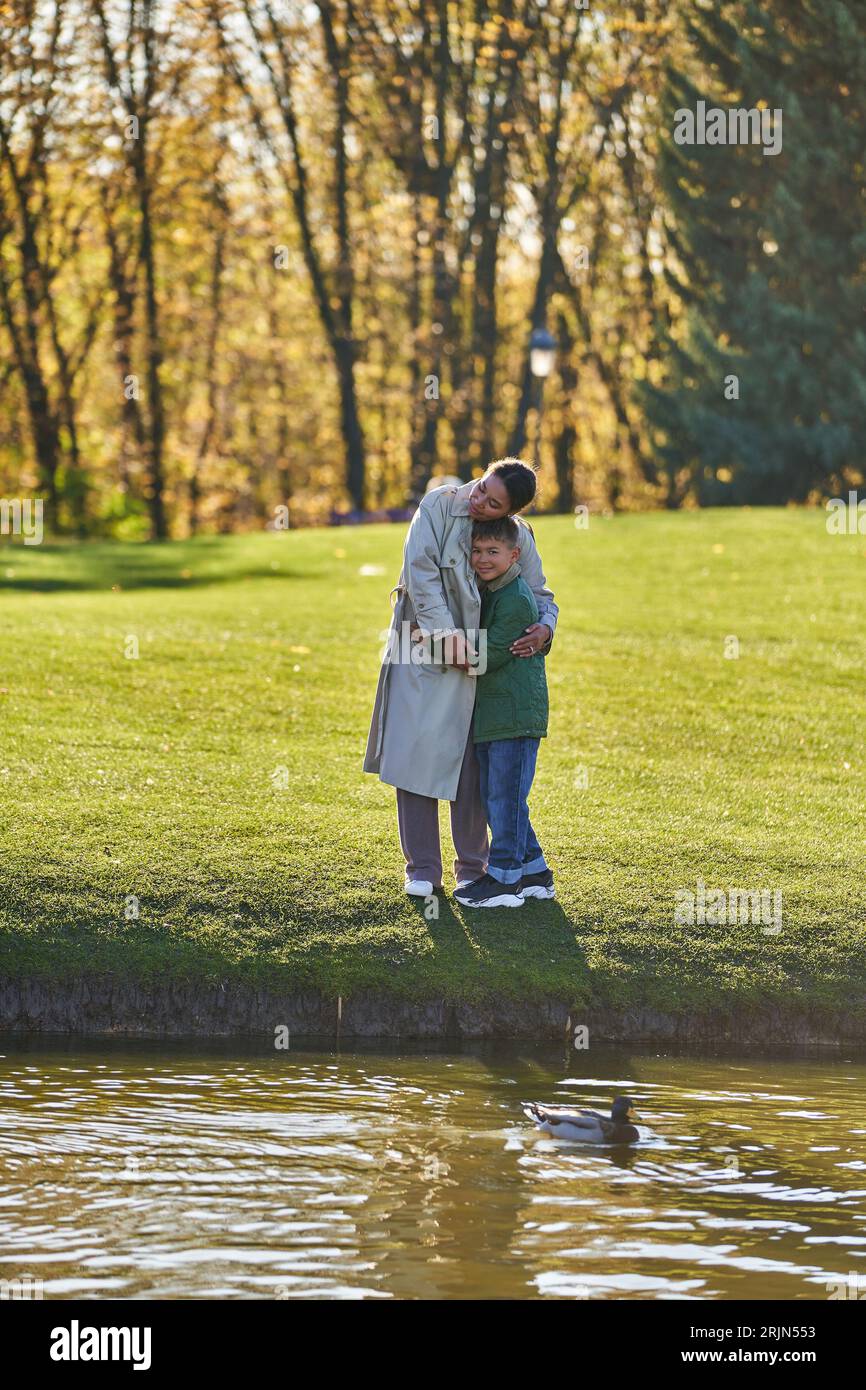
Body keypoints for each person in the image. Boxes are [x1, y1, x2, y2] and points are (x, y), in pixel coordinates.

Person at [363, 459, 558, 897]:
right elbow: (422, 574)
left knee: (470, 763)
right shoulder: (436, 506)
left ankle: (473, 866)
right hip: (421, 646)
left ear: (509, 513)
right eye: (482, 488)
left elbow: (539, 592)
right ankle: (422, 870)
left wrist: (546, 628)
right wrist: (445, 636)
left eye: (493, 504)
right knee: (415, 753)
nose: (479, 501)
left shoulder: (518, 536)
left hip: (478, 660)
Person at [454, 517, 553, 908]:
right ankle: (535, 873)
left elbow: (487, 655)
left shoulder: (513, 599)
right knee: (501, 797)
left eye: (492, 552)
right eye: (477, 551)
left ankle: (504, 880)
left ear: (514, 555)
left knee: (505, 799)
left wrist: (435, 644)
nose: (482, 559)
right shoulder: (493, 591)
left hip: (513, 718)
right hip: (496, 717)